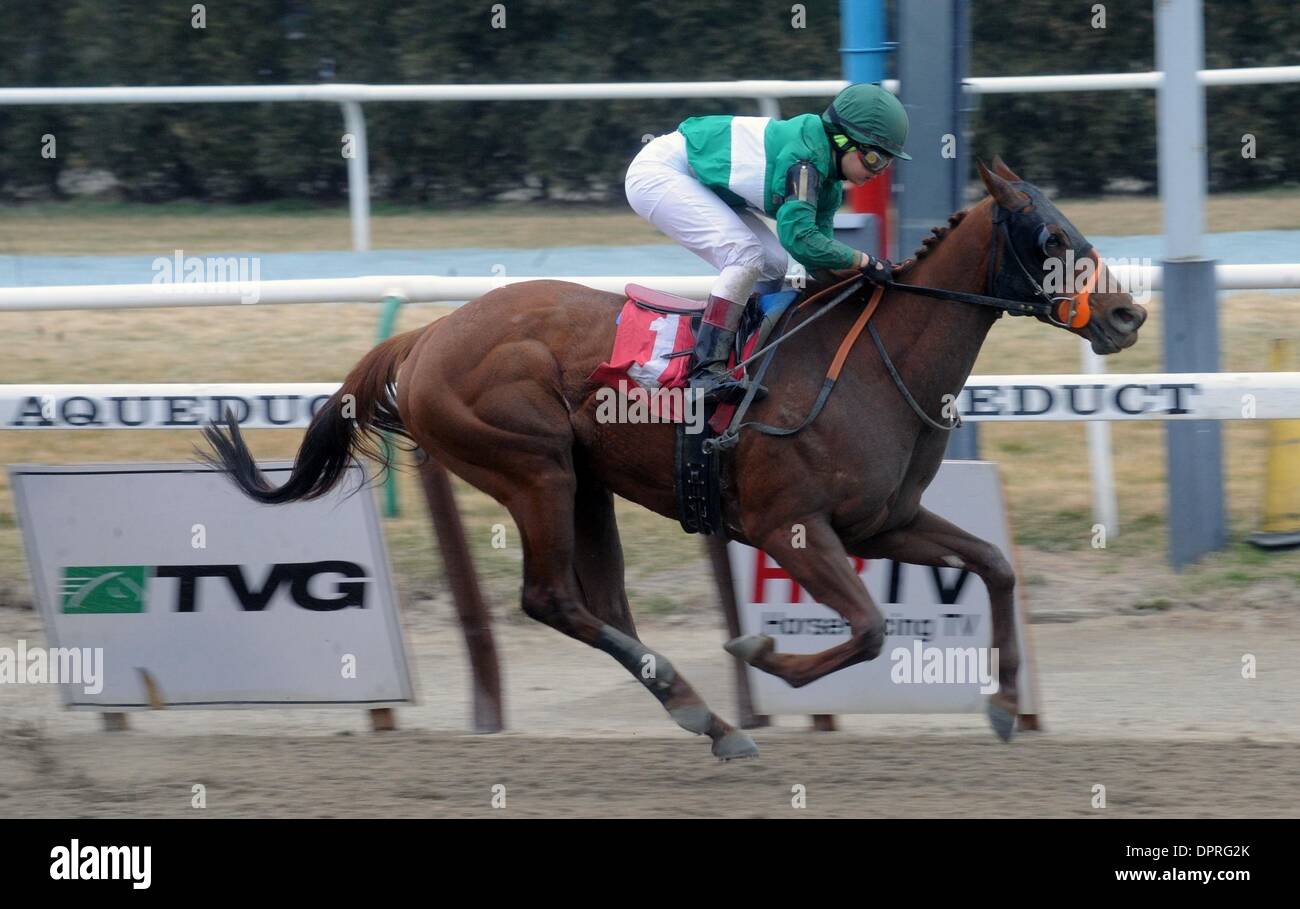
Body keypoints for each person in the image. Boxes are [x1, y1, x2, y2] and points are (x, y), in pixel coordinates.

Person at [624, 83, 910, 402]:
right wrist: (864, 262)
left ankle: (739, 360)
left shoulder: (828, 183)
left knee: (773, 263)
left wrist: (860, 280)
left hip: (700, 180)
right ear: (843, 140)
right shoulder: (804, 161)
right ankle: (705, 372)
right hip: (659, 173)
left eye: (886, 164)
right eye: (874, 159)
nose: (878, 172)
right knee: (745, 256)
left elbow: (818, 258)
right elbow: (798, 238)